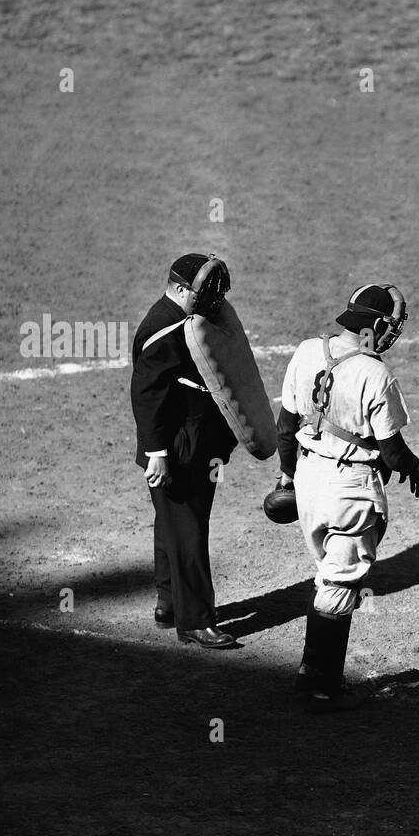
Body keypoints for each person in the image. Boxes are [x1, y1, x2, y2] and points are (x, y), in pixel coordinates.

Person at [275, 284, 419, 710]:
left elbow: (285, 428)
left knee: (327, 573)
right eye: (388, 328)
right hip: (350, 487)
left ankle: (313, 674)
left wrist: (287, 479)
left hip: (308, 478)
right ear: (375, 326)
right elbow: (393, 453)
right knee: (340, 584)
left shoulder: (307, 350)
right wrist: (414, 467)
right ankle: (320, 685)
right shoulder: (375, 374)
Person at [130, 252, 240, 648]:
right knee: (190, 528)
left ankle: (169, 603)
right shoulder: (164, 329)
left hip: (190, 441)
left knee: (172, 523)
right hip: (178, 448)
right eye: (202, 294)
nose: (212, 302)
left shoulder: (186, 318)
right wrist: (156, 452)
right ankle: (195, 620)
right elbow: (146, 395)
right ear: (178, 289)